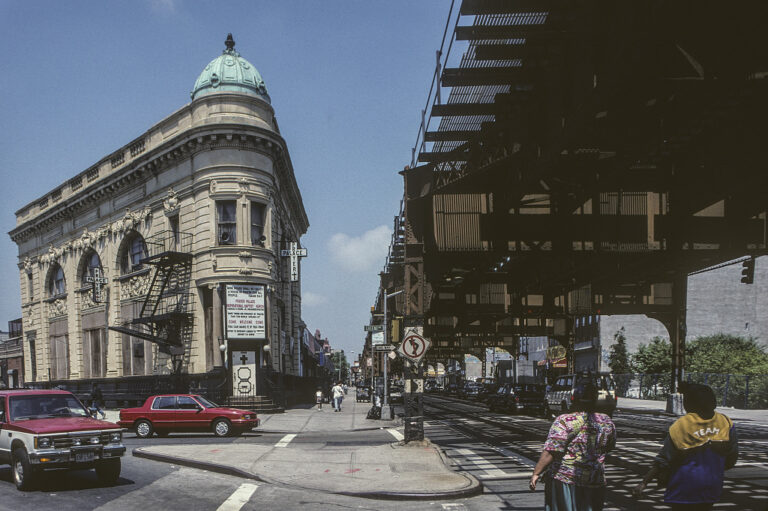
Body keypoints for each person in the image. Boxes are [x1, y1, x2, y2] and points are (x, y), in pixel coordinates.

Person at [632, 383, 738, 510]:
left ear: (687, 404)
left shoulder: (681, 425)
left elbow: (663, 460)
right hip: (711, 488)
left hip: (682, 490)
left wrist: (644, 483)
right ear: (713, 402)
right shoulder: (725, 422)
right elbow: (732, 457)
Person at [529, 376, 617, 511]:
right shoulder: (606, 421)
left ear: (574, 399)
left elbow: (552, 451)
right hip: (595, 480)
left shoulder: (565, 420)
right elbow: (610, 446)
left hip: (566, 480)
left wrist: (536, 473)